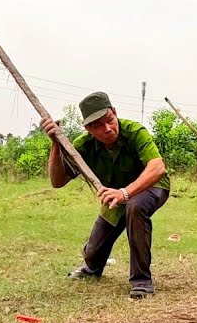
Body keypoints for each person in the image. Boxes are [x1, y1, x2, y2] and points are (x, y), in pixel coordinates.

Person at [42, 92, 170, 300]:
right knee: (92, 253)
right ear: (88, 129)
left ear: (115, 113)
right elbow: (58, 182)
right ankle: (93, 269)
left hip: (151, 187)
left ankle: (141, 281)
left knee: (134, 207)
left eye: (109, 120)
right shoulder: (83, 146)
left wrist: (125, 193)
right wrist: (55, 145)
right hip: (114, 196)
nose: (107, 128)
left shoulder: (135, 132)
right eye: (98, 126)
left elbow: (157, 168)